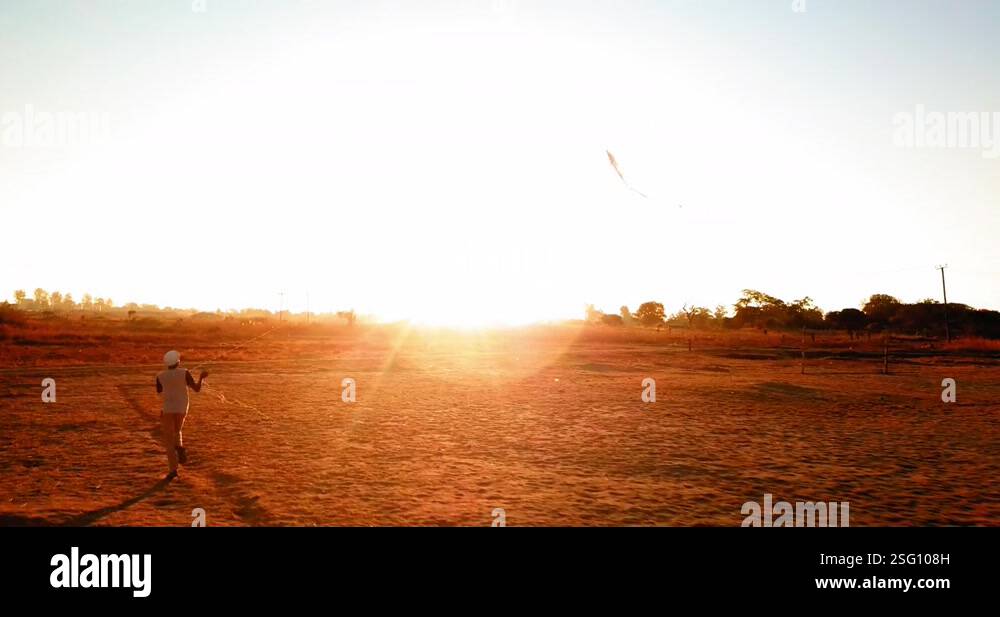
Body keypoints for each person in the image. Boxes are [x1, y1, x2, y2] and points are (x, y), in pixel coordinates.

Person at [156, 350, 208, 480]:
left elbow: (159, 391)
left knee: (168, 441)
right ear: (178, 362)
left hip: (168, 409)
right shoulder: (184, 372)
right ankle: (179, 446)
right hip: (182, 408)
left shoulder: (160, 376)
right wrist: (201, 377)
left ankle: (173, 470)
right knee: (178, 430)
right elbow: (196, 389)